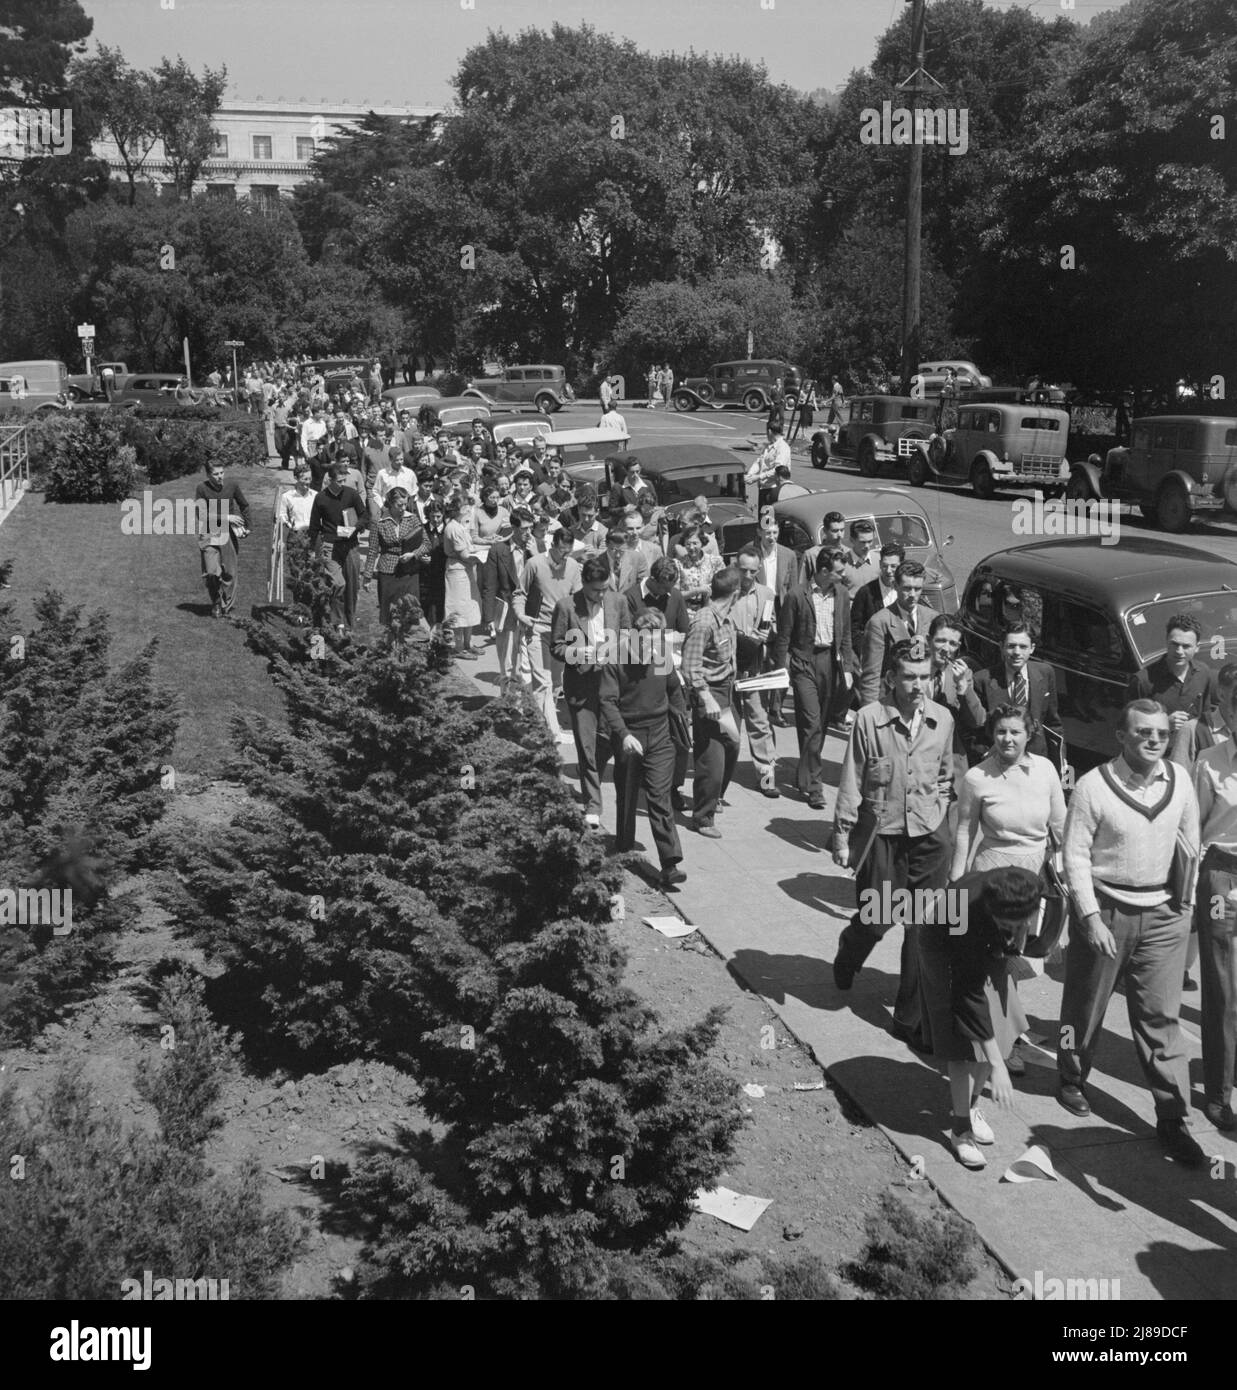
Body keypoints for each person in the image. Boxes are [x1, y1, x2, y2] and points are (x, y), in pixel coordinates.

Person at [1056, 699, 1204, 1167]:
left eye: (1161, 733)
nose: (1155, 741)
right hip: (1106, 911)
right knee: (1083, 1006)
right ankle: (1070, 1076)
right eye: (1144, 733)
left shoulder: (1180, 780)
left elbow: (1191, 842)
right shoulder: (1092, 786)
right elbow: (1073, 856)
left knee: (1162, 1019)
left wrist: (1187, 907)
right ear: (1122, 736)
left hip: (1163, 915)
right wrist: (1090, 916)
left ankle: (1173, 1117)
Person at [832, 639, 956, 1046]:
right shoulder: (869, 719)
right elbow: (851, 777)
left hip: (929, 835)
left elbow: (945, 775)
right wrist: (842, 835)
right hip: (882, 834)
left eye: (925, 677)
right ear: (891, 679)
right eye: (909, 677)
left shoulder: (943, 719)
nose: (918, 685)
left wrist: (944, 823)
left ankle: (909, 1019)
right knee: (876, 918)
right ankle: (850, 951)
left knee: (923, 928)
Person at [951, 702, 1067, 1076]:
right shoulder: (976, 778)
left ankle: (1012, 1029)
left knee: (1026, 959)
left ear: (1028, 734)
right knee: (997, 961)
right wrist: (956, 881)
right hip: (994, 876)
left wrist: (1067, 874)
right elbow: (965, 830)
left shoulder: (1045, 770)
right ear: (992, 734)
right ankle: (1004, 1042)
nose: (1007, 738)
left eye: (1015, 731)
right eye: (1001, 731)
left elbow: (1061, 825)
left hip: (1035, 875)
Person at [919, 867, 1044, 1168]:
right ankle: (960, 1129)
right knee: (962, 1046)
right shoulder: (965, 913)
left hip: (987, 947)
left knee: (998, 1029)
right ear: (991, 911)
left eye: (1018, 923)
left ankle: (972, 1106)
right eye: (1005, 923)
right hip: (945, 950)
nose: (1013, 927)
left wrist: (1016, 936)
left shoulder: (1025, 886)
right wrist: (999, 1066)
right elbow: (968, 995)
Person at [601, 608, 689, 890]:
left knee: (658, 795)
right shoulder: (616, 660)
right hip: (630, 736)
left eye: (657, 640)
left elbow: (674, 688)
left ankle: (670, 863)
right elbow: (607, 702)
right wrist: (623, 734)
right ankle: (625, 845)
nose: (652, 647)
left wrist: (681, 719)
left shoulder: (662, 658)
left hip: (660, 735)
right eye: (647, 640)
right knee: (626, 793)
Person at [773, 548, 857, 809]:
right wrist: (781, 671)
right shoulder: (798, 595)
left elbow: (845, 634)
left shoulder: (841, 594)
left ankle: (804, 774)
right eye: (839, 572)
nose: (844, 577)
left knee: (819, 725)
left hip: (830, 664)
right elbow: (784, 635)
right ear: (823, 571)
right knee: (810, 723)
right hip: (803, 663)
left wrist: (848, 668)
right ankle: (814, 787)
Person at [1191, 663, 1237, 1131]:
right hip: (1221, 876)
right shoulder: (1210, 762)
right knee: (1223, 989)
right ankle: (1219, 1094)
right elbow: (1195, 832)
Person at [550, 554, 626, 829]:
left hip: (612, 685)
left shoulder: (617, 601)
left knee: (608, 741)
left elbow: (628, 634)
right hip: (581, 687)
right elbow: (556, 647)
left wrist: (615, 648)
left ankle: (599, 784)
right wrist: (579, 652)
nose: (602, 595)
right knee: (586, 746)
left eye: (605, 588)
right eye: (596, 590)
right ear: (584, 584)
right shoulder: (567, 607)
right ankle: (593, 804)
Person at [682, 568, 743, 837]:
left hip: (727, 691)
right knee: (711, 758)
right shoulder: (704, 622)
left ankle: (714, 796)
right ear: (736, 594)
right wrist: (705, 697)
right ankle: (702, 818)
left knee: (733, 743)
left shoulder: (725, 617)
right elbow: (690, 666)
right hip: (709, 695)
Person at [514, 525, 583, 741]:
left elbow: (578, 599)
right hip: (537, 628)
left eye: (568, 551)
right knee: (541, 681)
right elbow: (520, 593)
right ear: (552, 545)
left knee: (555, 684)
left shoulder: (573, 566)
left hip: (561, 634)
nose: (565, 555)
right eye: (562, 550)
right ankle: (550, 732)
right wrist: (521, 615)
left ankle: (540, 725)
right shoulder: (534, 563)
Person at [1126, 614, 1219, 769]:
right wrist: (1164, 724)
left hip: (1194, 758)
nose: (1179, 651)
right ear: (1166, 643)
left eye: (1186, 646)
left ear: (1197, 648)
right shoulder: (1143, 681)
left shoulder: (1204, 673)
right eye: (1174, 644)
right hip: (1156, 760)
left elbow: (1207, 720)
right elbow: (1129, 730)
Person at [971, 621, 1063, 764]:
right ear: (1001, 647)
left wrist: (1065, 774)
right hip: (998, 761)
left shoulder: (1046, 673)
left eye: (1023, 646)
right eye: (1011, 646)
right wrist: (986, 754)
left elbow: (1054, 724)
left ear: (1032, 648)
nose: (1017, 652)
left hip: (1036, 760)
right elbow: (976, 728)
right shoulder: (982, 679)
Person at [731, 545, 780, 798]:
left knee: (759, 721)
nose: (748, 575)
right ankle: (721, 780)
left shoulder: (767, 594)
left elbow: (772, 627)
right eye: (743, 570)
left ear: (759, 569)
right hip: (730, 665)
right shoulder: (726, 591)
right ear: (735, 567)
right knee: (728, 725)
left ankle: (767, 778)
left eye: (753, 571)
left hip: (755, 666)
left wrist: (766, 633)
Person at [307, 460, 369, 635]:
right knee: (338, 584)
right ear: (330, 479)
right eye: (339, 481)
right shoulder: (320, 498)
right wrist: (312, 549)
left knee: (352, 586)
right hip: (330, 546)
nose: (343, 484)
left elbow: (365, 516)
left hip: (350, 546)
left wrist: (356, 527)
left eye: (344, 480)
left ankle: (349, 624)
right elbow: (314, 526)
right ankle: (337, 621)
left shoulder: (352, 494)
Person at [859, 560, 926, 707]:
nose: (913, 595)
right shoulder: (879, 622)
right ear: (895, 586)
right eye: (907, 588)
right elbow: (871, 675)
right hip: (891, 704)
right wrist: (870, 715)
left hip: (922, 703)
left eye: (918, 589)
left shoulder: (931, 618)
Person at [363, 486, 432, 627]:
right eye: (399, 505)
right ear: (390, 502)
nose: (403, 508)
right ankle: (391, 645)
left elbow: (426, 543)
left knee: (411, 612)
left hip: (409, 572)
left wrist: (413, 554)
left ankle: (410, 645)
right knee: (389, 614)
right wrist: (367, 576)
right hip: (388, 572)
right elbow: (373, 550)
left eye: (405, 504)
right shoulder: (378, 521)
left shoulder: (412, 519)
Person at [486, 507, 537, 693]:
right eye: (524, 529)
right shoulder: (499, 550)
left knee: (527, 665)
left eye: (531, 527)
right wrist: (490, 617)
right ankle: (507, 704)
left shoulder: (536, 549)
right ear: (514, 528)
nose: (528, 532)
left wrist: (536, 555)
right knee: (507, 663)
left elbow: (546, 579)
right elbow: (490, 586)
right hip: (507, 612)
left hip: (531, 613)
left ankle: (527, 705)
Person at [193, 460, 251, 619]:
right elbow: (202, 515)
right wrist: (227, 517)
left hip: (228, 535)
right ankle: (216, 602)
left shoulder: (232, 486)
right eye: (215, 474)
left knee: (230, 573)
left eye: (221, 473)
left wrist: (248, 526)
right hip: (209, 534)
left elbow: (244, 505)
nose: (220, 477)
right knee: (211, 572)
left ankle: (226, 605)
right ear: (208, 475)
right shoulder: (202, 489)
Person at [442, 494, 482, 659]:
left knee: (469, 606)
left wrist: (486, 545)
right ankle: (458, 648)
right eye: (465, 507)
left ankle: (467, 643)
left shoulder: (460, 526)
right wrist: (482, 557)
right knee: (458, 608)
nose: (468, 510)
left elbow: (469, 546)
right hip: (458, 571)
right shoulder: (454, 528)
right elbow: (464, 554)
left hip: (466, 571)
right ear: (458, 510)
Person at [848, 543, 903, 659]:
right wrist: (864, 653)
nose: (888, 571)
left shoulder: (908, 591)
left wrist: (917, 657)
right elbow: (854, 628)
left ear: (901, 566)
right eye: (884, 566)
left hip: (903, 659)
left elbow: (917, 628)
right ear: (879, 564)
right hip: (876, 659)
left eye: (893, 566)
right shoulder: (865, 593)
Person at [471, 480, 511, 637]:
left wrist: (500, 538)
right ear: (484, 498)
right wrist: (488, 540)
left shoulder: (503, 511)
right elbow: (473, 536)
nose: (495, 500)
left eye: (497, 497)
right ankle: (488, 621)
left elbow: (509, 530)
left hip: (501, 552)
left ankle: (501, 619)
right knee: (488, 587)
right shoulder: (477, 512)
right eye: (492, 498)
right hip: (485, 554)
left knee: (503, 587)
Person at [675, 526, 724, 614]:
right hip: (686, 612)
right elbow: (675, 595)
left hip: (711, 611)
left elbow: (724, 588)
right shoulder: (678, 564)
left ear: (702, 543)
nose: (691, 547)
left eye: (695, 543)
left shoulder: (715, 562)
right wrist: (697, 590)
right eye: (688, 544)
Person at [279, 464, 316, 533]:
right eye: (305, 479)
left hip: (313, 534)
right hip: (295, 534)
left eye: (310, 479)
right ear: (296, 478)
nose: (308, 482)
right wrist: (290, 526)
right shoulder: (287, 497)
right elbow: (281, 515)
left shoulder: (315, 495)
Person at [845, 519, 881, 589]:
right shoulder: (841, 563)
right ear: (852, 540)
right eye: (863, 542)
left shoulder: (880, 560)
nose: (867, 546)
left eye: (870, 541)